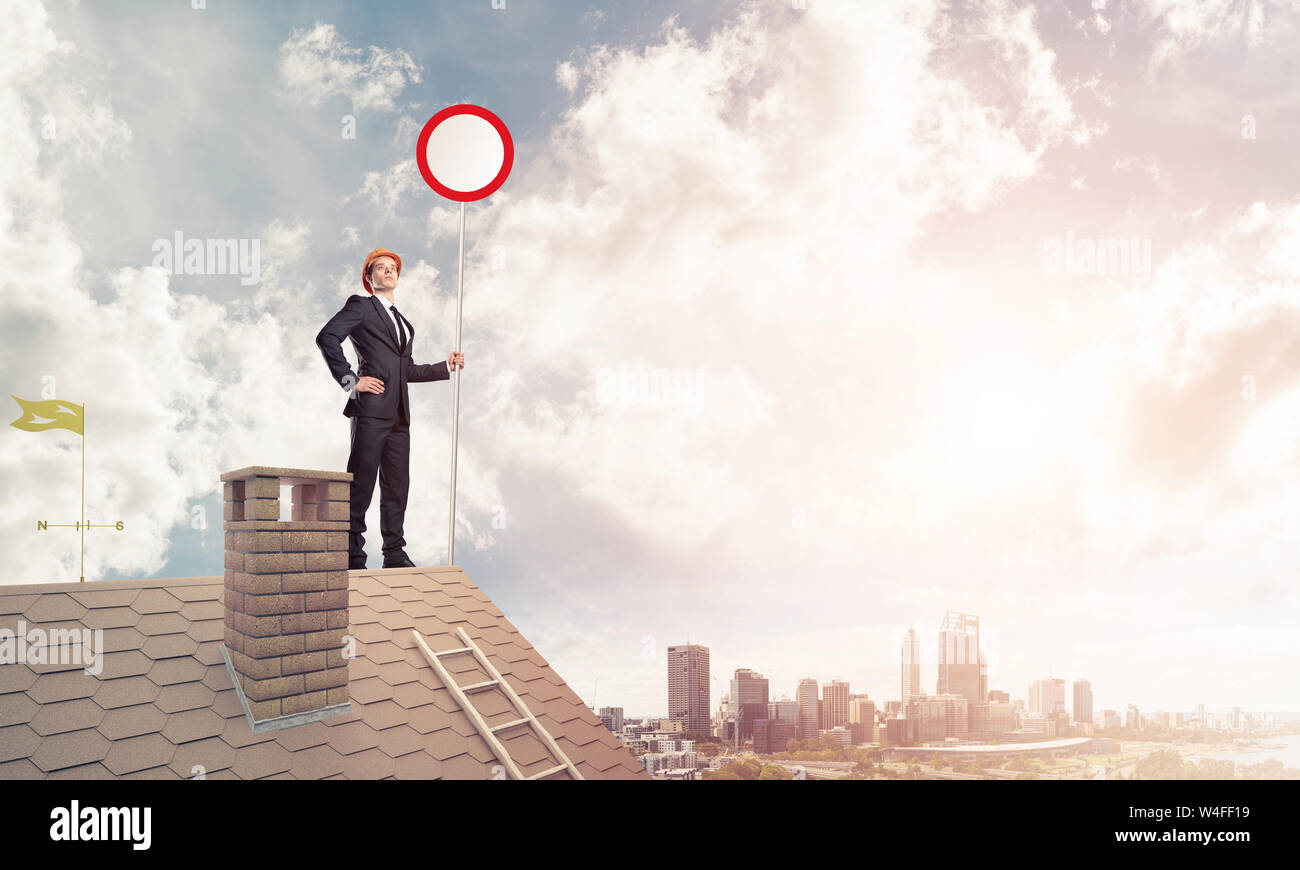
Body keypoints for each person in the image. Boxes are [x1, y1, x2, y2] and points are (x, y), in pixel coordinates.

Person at [315, 247, 465, 569]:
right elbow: (327, 337)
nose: (388, 270)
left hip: (399, 415)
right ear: (369, 279)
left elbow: (405, 370)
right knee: (361, 482)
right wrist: (351, 381)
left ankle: (394, 553)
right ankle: (352, 555)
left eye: (392, 267)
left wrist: (445, 366)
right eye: (380, 268)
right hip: (370, 411)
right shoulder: (362, 307)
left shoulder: (402, 323)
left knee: (397, 485)